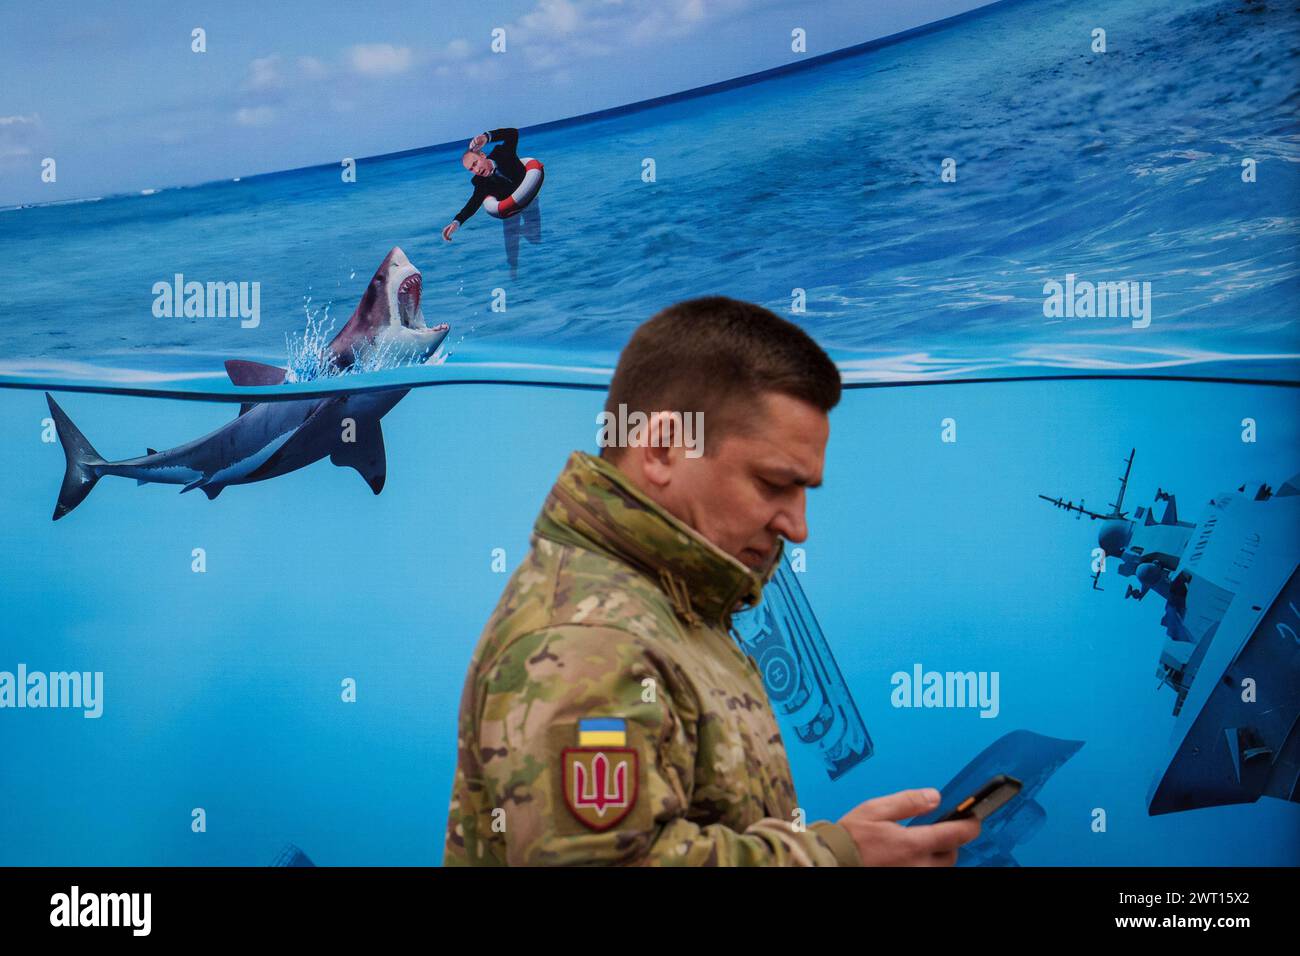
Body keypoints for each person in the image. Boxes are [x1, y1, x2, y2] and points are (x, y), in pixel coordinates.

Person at [442, 297, 982, 866]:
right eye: (773, 483)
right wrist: (834, 857)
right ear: (662, 448)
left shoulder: (673, 605)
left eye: (804, 491)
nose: (797, 527)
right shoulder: (590, 639)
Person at [441, 127, 541, 278]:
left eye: (475, 163)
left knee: (534, 236)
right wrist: (457, 222)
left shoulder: (503, 153)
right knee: (514, 249)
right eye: (471, 169)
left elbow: (513, 133)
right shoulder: (480, 183)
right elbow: (473, 203)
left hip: (531, 191)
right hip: (511, 208)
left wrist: (487, 137)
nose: (476, 170)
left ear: (482, 155)